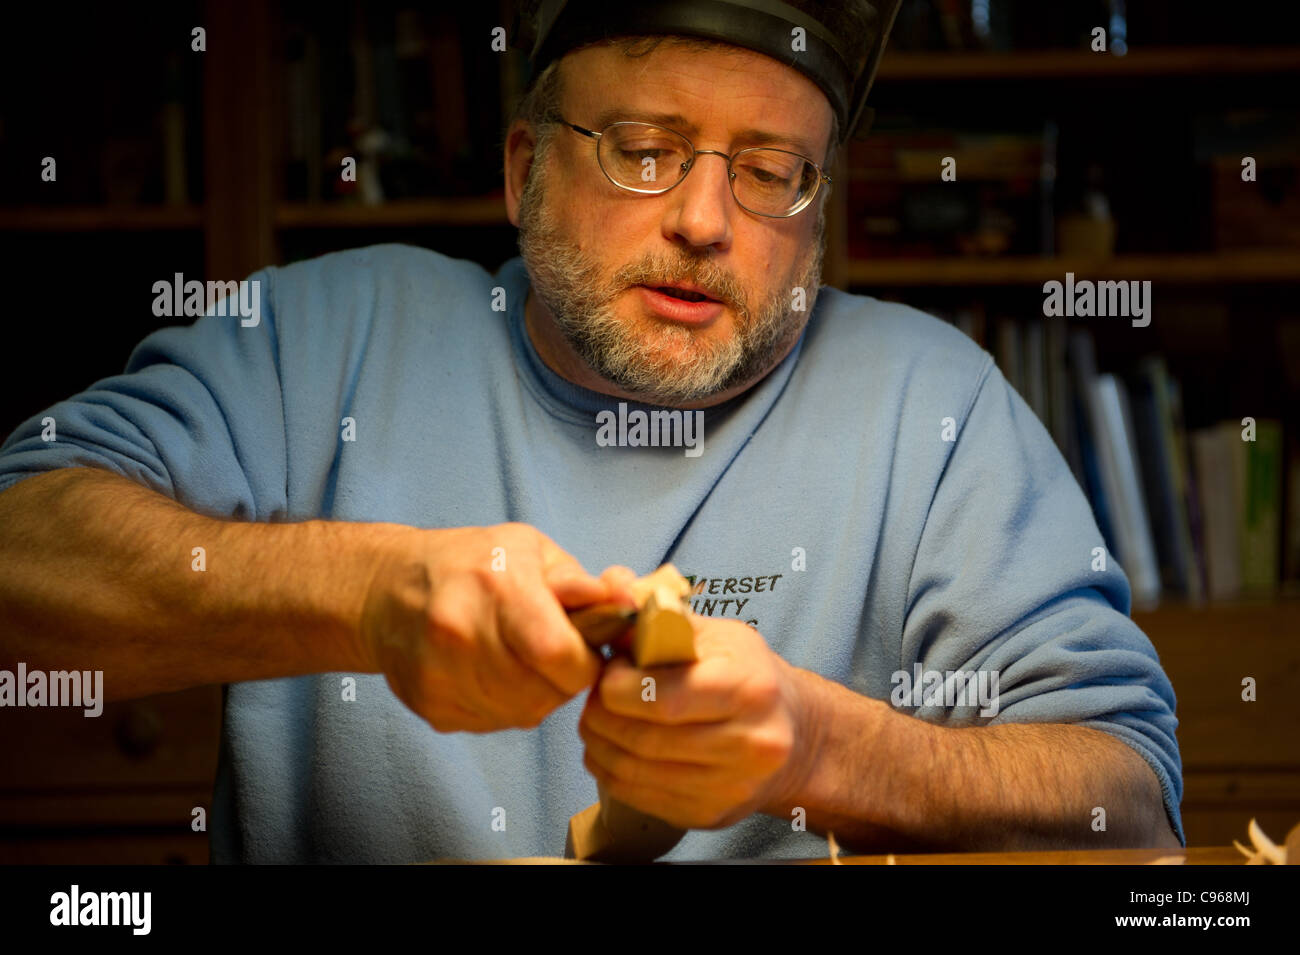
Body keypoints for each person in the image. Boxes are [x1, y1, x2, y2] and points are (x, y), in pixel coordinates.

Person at [0, 0, 1182, 862]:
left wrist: (824, 752)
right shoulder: (318, 333)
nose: (705, 221)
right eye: (646, 153)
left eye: (772, 172)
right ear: (523, 171)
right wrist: (365, 592)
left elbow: (1130, 819)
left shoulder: (936, 404)